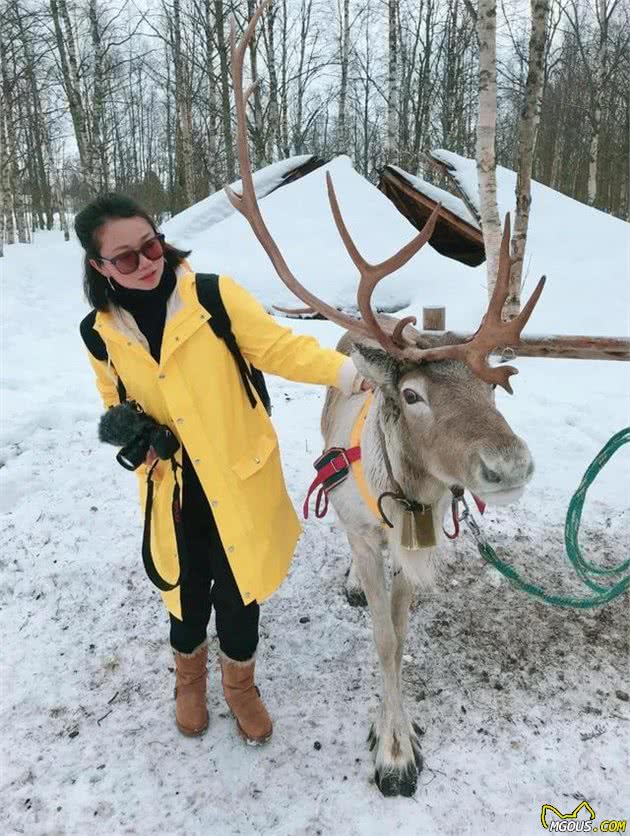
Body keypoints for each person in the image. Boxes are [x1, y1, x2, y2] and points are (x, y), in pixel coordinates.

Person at [76, 193, 368, 744]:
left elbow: (281, 349)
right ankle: (189, 681)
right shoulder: (100, 332)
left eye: (151, 245)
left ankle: (240, 685)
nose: (146, 263)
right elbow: (113, 398)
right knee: (185, 590)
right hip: (173, 488)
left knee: (239, 589)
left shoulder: (212, 297)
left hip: (237, 476)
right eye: (126, 258)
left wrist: (348, 374)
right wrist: (136, 435)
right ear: (100, 267)